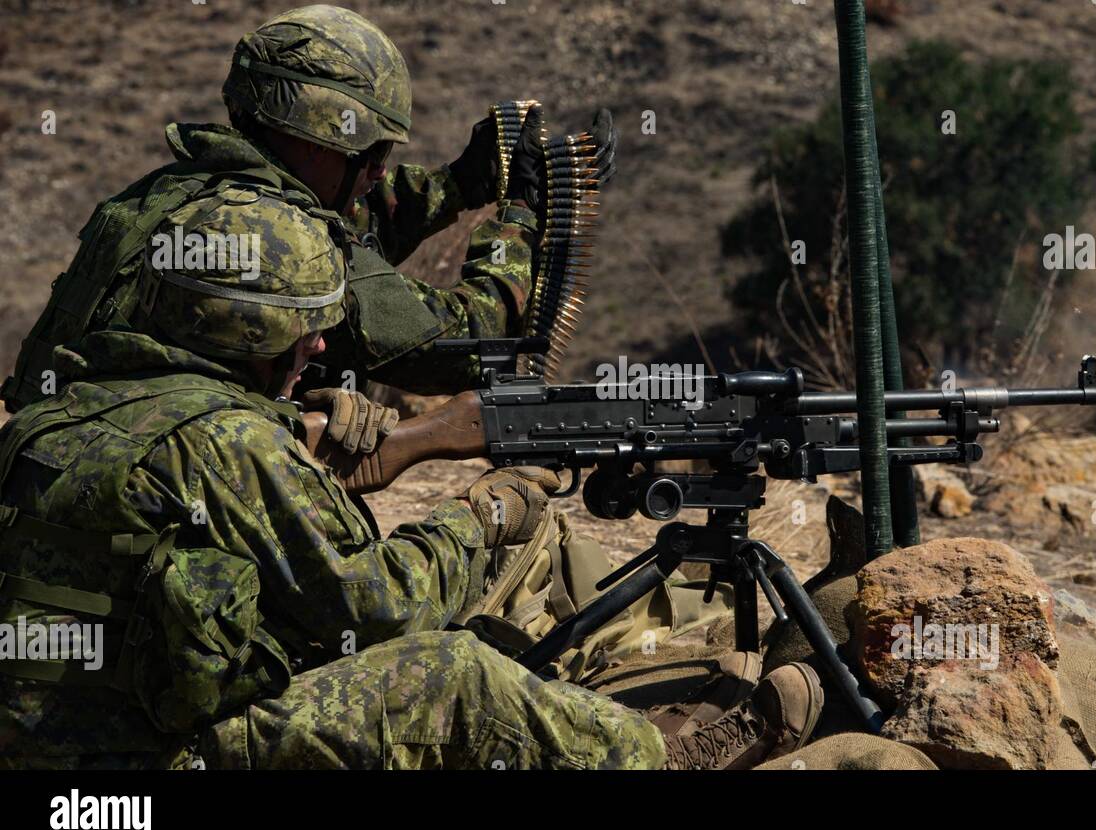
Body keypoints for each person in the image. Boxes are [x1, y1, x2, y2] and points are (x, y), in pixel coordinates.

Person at [0, 195, 824, 770]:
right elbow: (383, 607)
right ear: (239, 325)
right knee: (454, 671)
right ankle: (659, 761)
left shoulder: (57, 412)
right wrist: (483, 510)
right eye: (302, 326)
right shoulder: (228, 444)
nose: (318, 348)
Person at [2, 4, 616, 425]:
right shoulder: (275, 242)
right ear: (316, 138)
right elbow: (468, 344)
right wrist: (520, 219)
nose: (378, 170)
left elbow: (350, 227)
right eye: (368, 153)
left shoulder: (174, 194)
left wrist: (459, 184)